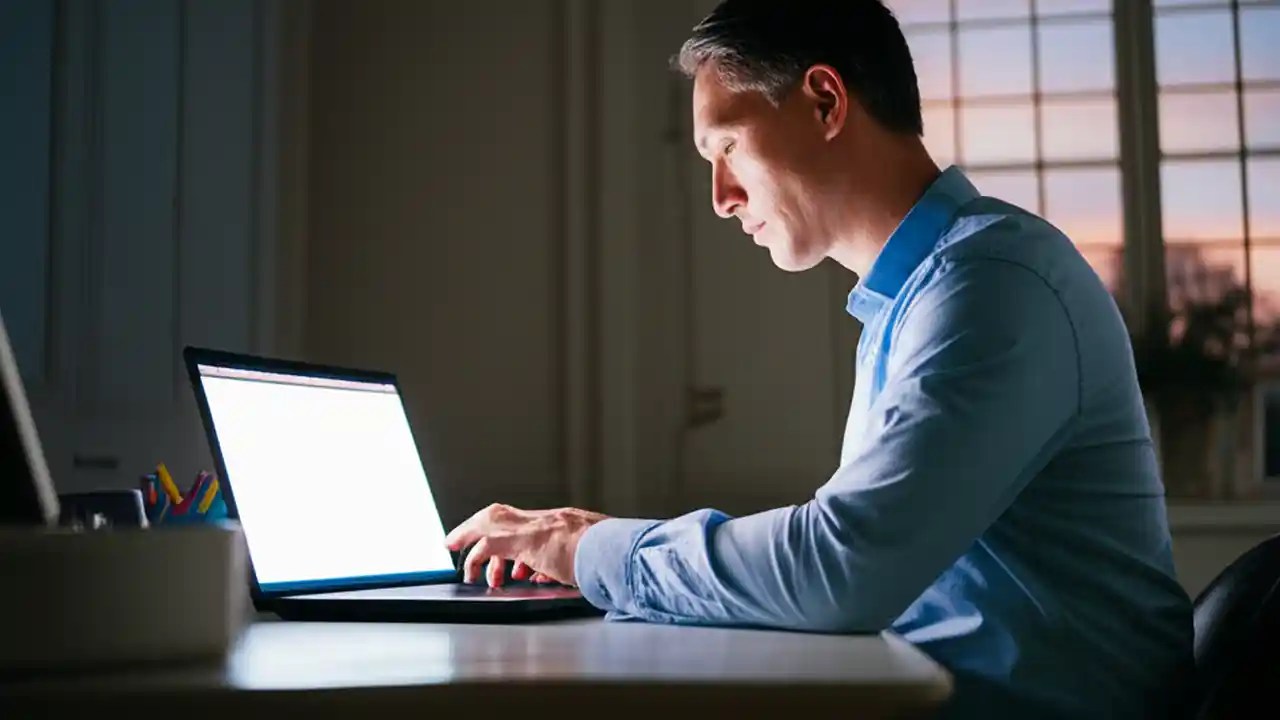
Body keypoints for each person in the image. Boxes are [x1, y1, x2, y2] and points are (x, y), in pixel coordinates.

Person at [444, 1, 1195, 717]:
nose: (721, 197)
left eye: (728, 147)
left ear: (826, 102)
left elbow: (842, 566)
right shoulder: (924, 295)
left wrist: (583, 545)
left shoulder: (992, 284)